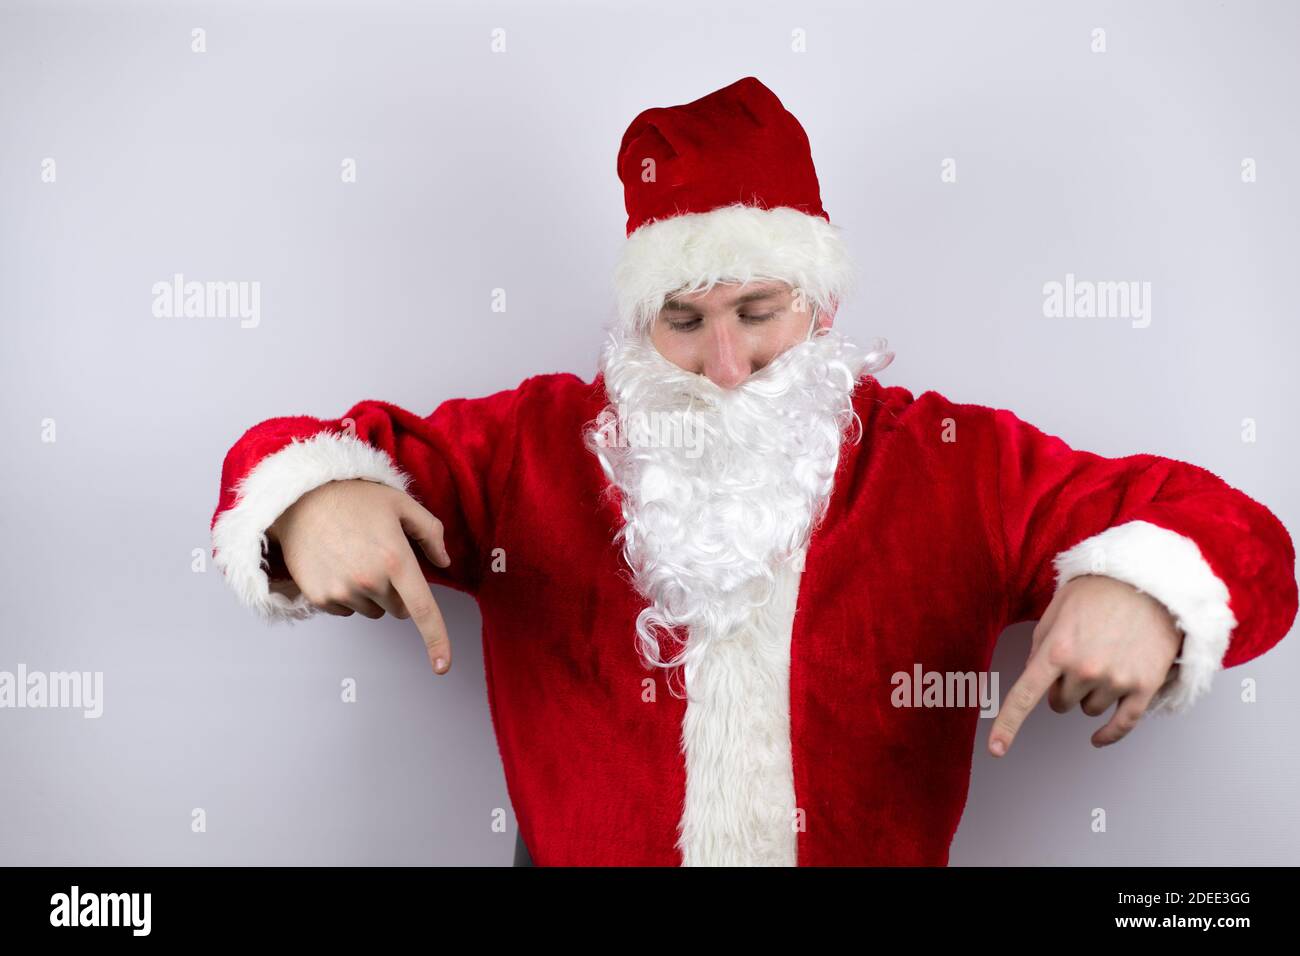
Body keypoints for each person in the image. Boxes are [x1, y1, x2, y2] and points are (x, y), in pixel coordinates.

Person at [209, 76, 1298, 866]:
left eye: (758, 313)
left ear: (820, 306)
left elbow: (1235, 535)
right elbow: (299, 452)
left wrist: (1138, 586)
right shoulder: (531, 445)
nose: (724, 366)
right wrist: (317, 502)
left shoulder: (954, 464)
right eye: (682, 320)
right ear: (639, 319)